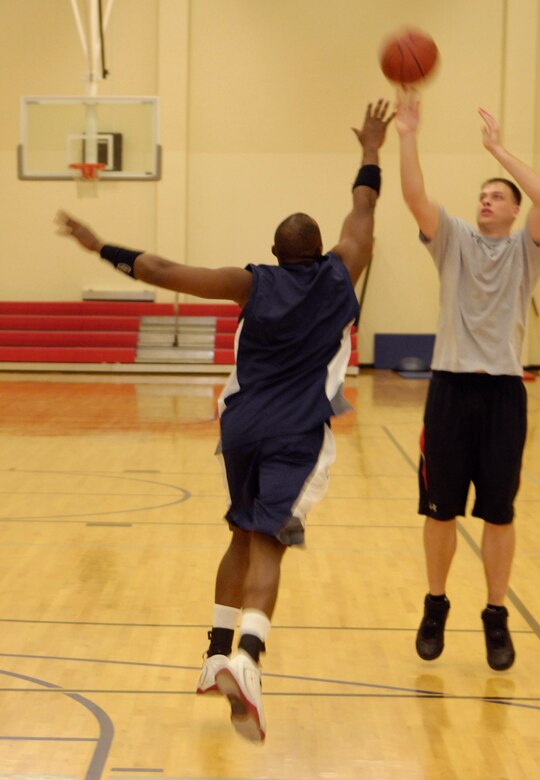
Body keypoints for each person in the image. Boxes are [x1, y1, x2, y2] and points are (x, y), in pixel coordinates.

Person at [56, 98, 395, 740]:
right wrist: (372, 149)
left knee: (241, 532)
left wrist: (99, 245)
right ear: (322, 251)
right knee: (269, 542)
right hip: (297, 432)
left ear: (273, 252)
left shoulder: (252, 283)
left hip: (239, 428)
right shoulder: (344, 272)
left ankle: (215, 652)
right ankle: (249, 659)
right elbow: (364, 209)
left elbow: (161, 271)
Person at [394, 91, 540, 671]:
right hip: (450, 390)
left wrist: (497, 150)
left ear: (513, 211)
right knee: (440, 510)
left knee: (499, 513)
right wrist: (408, 136)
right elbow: (415, 198)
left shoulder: (526, 251)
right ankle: (435, 605)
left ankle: (495, 614)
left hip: (504, 394)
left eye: (497, 196)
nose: (486, 200)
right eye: (482, 195)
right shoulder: (455, 239)